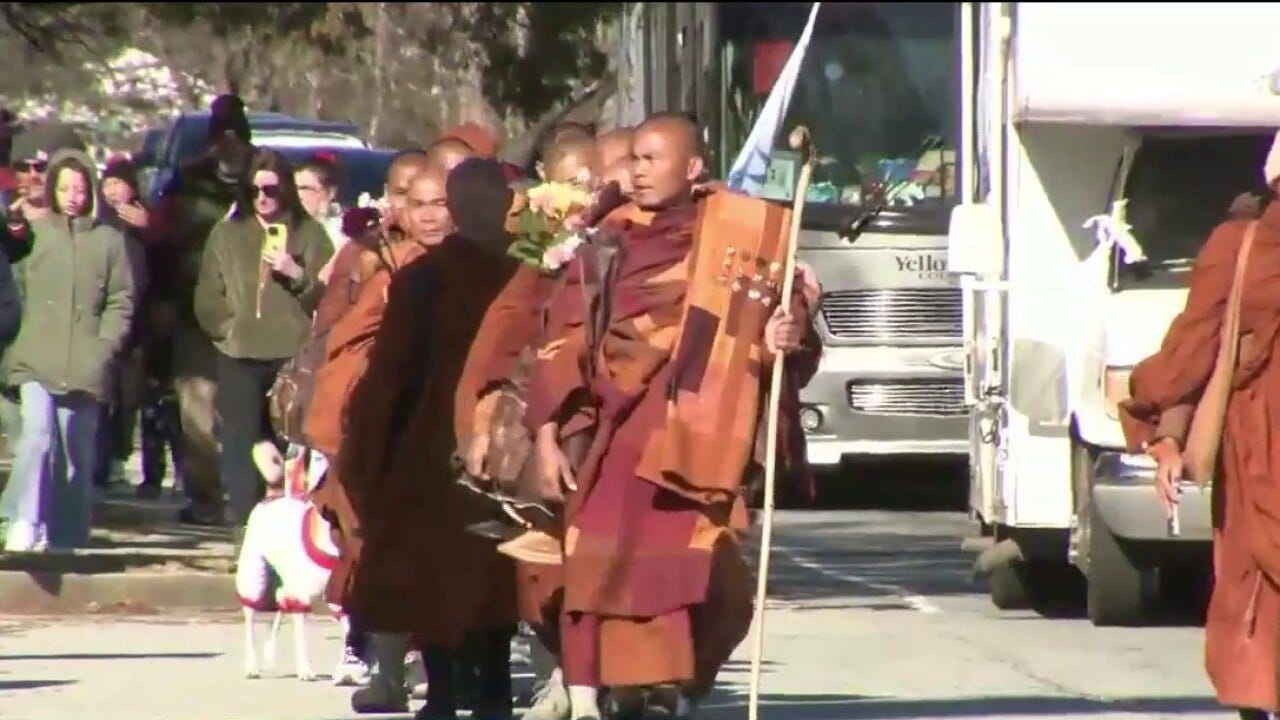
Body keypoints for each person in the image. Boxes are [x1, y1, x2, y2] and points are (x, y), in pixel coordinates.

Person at [520, 113, 816, 719]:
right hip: (610, 433)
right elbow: (565, 337)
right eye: (633, 160)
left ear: (694, 167)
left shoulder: (740, 234)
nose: (637, 171)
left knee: (680, 575)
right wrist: (547, 433)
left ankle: (664, 692)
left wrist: (787, 333)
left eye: (652, 160)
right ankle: (582, 697)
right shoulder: (606, 238)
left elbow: (770, 326)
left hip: (695, 437)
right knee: (589, 564)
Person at [338, 160, 520, 720]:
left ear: (457, 210)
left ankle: (443, 696)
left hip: (432, 448)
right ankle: (492, 692)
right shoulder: (527, 277)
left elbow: (388, 376)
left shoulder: (426, 279)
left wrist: (366, 452)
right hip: (503, 449)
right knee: (494, 574)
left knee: (440, 577)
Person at [1120, 132, 1280, 720]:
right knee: (1251, 589)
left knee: (1252, 590)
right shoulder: (1242, 244)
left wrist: (1166, 427)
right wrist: (1170, 432)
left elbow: (1195, 346)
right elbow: (1200, 347)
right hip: (1256, 442)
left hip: (1258, 448)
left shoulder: (1238, 243)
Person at [1, 149, 136, 551]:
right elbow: (14, 288)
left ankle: (66, 538)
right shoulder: (36, 234)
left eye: (80, 189)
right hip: (35, 357)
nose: (73, 196)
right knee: (36, 436)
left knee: (75, 455)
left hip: (85, 363)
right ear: (53, 190)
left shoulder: (109, 241)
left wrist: (106, 345)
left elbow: (120, 299)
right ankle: (24, 520)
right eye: (64, 188)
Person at [193, 148, 332, 528]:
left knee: (291, 446)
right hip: (238, 353)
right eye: (254, 190)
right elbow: (207, 293)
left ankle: (290, 527)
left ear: (285, 188)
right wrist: (226, 329)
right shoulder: (227, 233)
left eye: (270, 189)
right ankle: (245, 527)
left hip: (291, 354)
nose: (263, 198)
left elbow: (328, 295)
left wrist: (294, 272)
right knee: (240, 446)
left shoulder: (310, 234)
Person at [152, 93, 256, 526]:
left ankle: (254, 499)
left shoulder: (266, 179)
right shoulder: (187, 182)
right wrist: (160, 300)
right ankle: (206, 499)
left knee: (249, 410)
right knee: (196, 410)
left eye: (235, 134)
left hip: (254, 315)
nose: (227, 143)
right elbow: (163, 245)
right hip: (194, 308)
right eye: (220, 135)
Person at [93, 156, 152, 495]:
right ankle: (99, 462)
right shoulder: (99, 223)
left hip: (140, 323)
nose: (115, 190)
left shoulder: (146, 220)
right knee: (102, 391)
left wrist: (148, 228)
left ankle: (119, 457)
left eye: (121, 183)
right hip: (105, 320)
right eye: (109, 183)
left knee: (129, 396)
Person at [294, 151, 346, 252]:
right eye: (294, 188)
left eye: (305, 188)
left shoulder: (343, 235)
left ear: (331, 192)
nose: (298, 195)